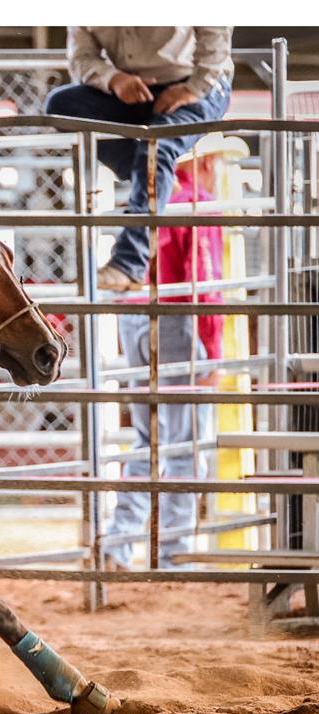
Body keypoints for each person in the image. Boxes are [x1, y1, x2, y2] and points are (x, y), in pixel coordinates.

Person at [103, 134, 245, 570]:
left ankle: (119, 543)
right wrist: (212, 352)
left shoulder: (151, 200)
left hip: (135, 316)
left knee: (150, 439)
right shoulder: (198, 205)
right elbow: (205, 282)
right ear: (206, 164)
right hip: (176, 321)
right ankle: (175, 553)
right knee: (185, 442)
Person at [45, 27, 233, 289]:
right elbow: (81, 57)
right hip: (132, 88)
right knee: (60, 105)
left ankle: (128, 264)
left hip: (198, 84)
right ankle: (153, 177)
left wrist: (192, 88)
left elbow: (215, 31)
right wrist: (114, 79)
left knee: (157, 145)